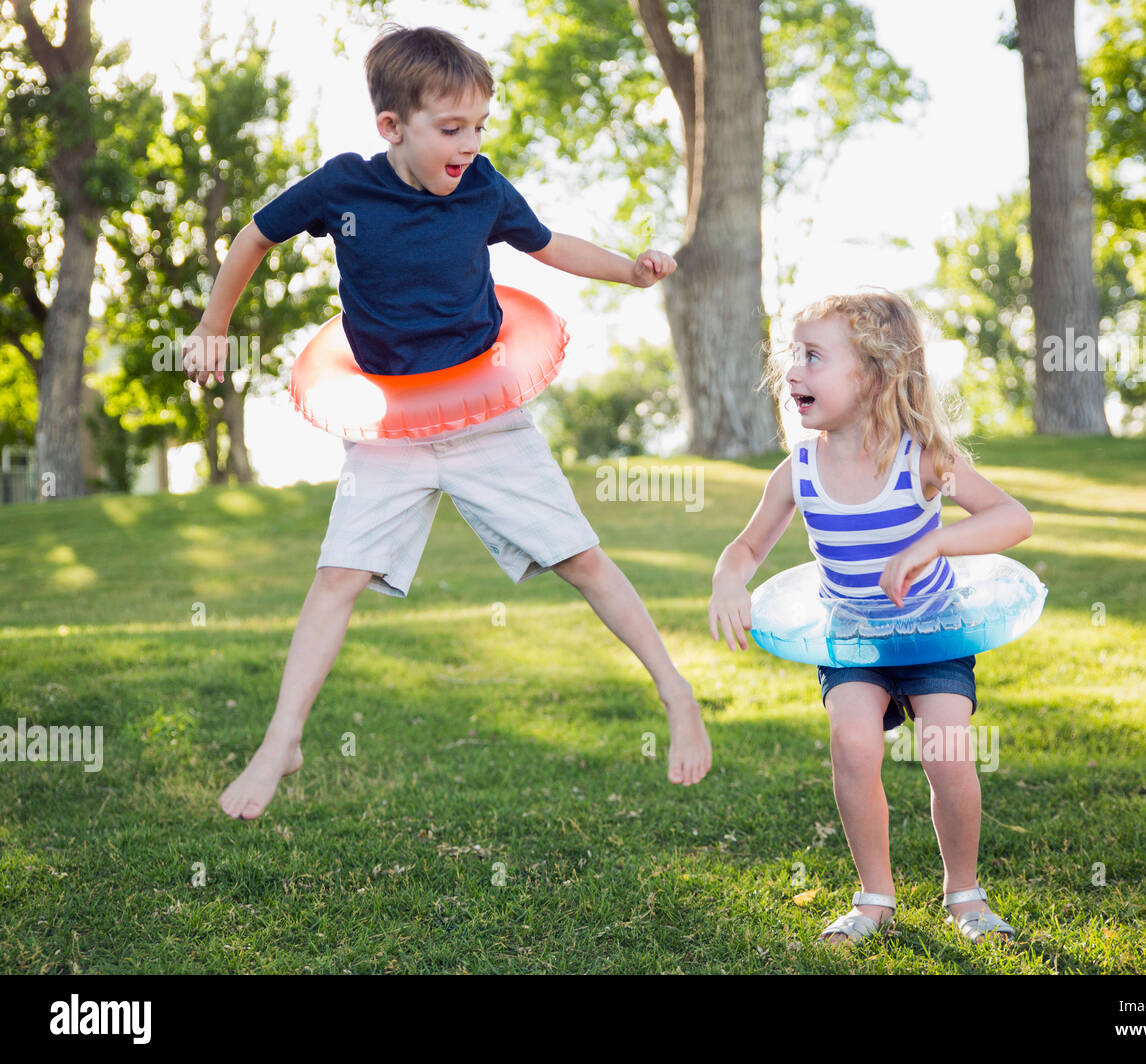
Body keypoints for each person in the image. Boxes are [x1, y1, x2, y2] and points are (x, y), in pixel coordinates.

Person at [184, 24, 712, 820]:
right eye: (450, 129)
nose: (468, 144)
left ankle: (675, 690)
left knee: (584, 561)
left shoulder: (482, 189)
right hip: (390, 426)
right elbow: (255, 235)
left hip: (487, 420)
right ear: (392, 127)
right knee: (337, 578)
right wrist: (213, 325)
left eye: (478, 126)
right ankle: (280, 740)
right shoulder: (342, 190)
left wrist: (628, 271)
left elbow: (549, 245)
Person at [708, 289, 1033, 945]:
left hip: (934, 635)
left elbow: (1013, 518)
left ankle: (965, 896)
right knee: (852, 746)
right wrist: (727, 580)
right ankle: (874, 898)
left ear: (875, 373)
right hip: (854, 641)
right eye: (793, 355)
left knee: (947, 752)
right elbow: (747, 547)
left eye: (814, 356)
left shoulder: (921, 455)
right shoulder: (798, 471)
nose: (793, 371)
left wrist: (934, 541)